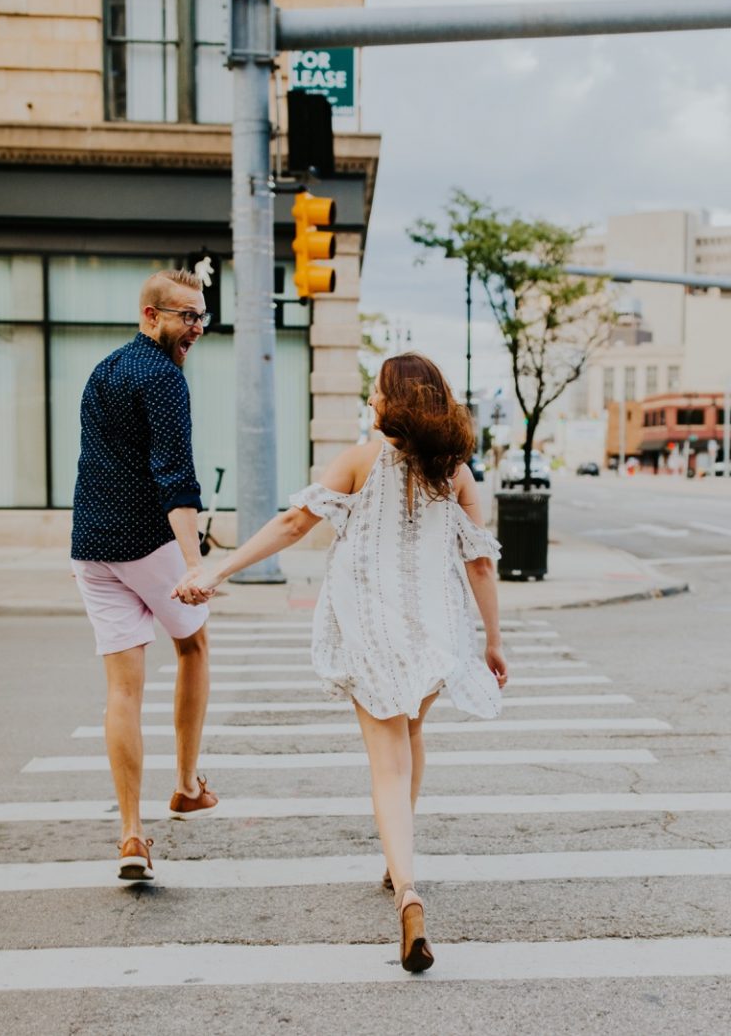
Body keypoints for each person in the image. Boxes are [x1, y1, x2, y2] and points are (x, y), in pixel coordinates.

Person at [175, 352, 509, 972]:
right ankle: (396, 860)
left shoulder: (361, 458)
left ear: (394, 400)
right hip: (435, 627)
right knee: (412, 733)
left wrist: (216, 569)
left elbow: (293, 523)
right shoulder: (455, 471)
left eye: (377, 392)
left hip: (370, 625)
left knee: (387, 762)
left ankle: (407, 890)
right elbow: (481, 563)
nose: (372, 401)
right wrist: (492, 639)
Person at [70, 267, 217, 884]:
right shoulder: (164, 379)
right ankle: (185, 785)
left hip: (91, 546)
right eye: (187, 317)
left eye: (202, 318)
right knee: (193, 644)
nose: (197, 329)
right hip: (144, 540)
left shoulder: (104, 370)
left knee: (122, 690)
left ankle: (132, 834)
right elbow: (174, 478)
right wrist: (194, 562)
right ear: (152, 315)